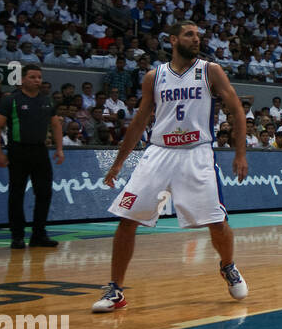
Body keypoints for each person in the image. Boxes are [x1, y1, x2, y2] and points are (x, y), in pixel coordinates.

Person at [96, 22, 250, 313]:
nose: (196, 39)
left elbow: (236, 110)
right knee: (127, 219)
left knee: (217, 223)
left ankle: (227, 265)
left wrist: (240, 154)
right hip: (159, 152)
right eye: (190, 34)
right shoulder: (155, 76)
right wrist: (119, 162)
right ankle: (115, 290)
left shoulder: (210, 70)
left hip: (197, 152)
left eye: (198, 36)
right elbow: (140, 121)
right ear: (173, 39)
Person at [0, 65, 64, 248]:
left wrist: (59, 149)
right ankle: (17, 236)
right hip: (18, 151)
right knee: (16, 194)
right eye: (32, 77)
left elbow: (55, 125)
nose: (37, 80)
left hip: (40, 151)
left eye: (39, 77)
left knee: (44, 193)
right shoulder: (11, 100)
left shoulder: (46, 101)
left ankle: (39, 234)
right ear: (22, 80)